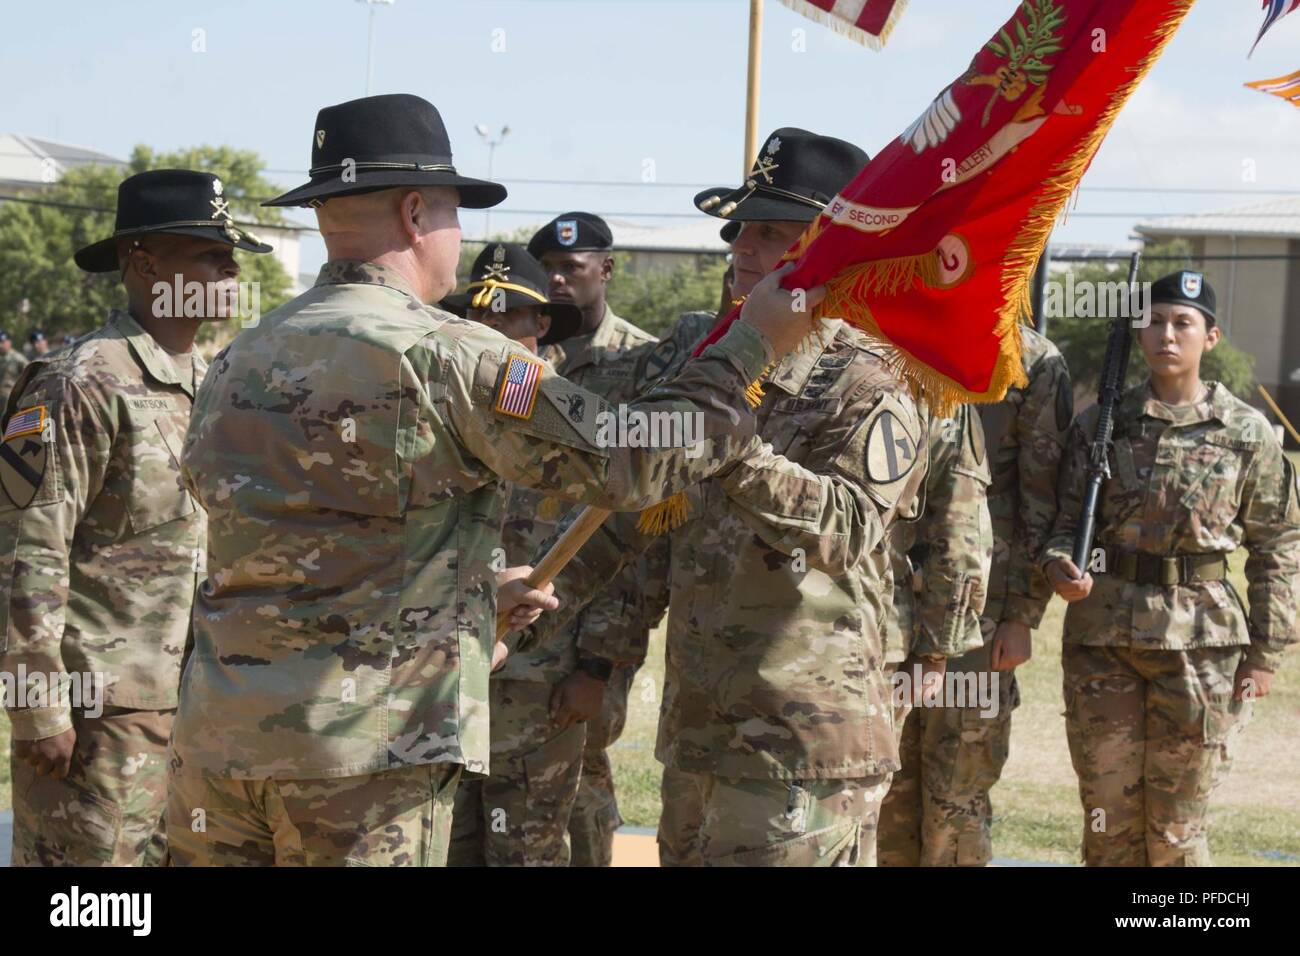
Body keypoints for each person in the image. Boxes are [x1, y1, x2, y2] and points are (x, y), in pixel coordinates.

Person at [165, 93, 815, 867]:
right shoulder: (453, 355)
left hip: (216, 745)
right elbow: (635, 458)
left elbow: (293, 544)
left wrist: (466, 605)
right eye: (454, 213)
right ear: (415, 214)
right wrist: (750, 345)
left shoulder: (241, 354)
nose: (458, 235)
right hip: (359, 760)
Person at [526, 128, 930, 867]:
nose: (742, 248)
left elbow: (844, 529)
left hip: (806, 747)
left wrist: (730, 441)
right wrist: (544, 587)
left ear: (828, 250)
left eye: (770, 233)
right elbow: (640, 513)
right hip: (702, 732)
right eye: (739, 230)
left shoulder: (874, 380)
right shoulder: (705, 356)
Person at [0, 168, 273, 866]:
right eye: (211, 252)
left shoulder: (206, 383)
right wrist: (35, 708)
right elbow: (25, 549)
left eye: (231, 253)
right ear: (145, 262)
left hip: (194, 713)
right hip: (98, 724)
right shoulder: (79, 381)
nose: (231, 267)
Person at [1043, 271, 1300, 866]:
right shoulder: (1101, 425)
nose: (1166, 334)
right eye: (1154, 321)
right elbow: (1060, 523)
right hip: (1103, 643)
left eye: (1182, 323)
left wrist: (1265, 654)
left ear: (1210, 337)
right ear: (1138, 334)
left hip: (1202, 650)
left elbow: (1277, 545)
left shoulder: (1246, 432)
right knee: (1107, 820)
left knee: (1177, 830)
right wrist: (1059, 563)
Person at [442, 241, 593, 865]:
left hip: (541, 687)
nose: (493, 328)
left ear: (542, 324)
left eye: (510, 315)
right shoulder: (446, 407)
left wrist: (600, 665)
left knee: (526, 853)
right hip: (453, 678)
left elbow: (615, 554)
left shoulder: (577, 419)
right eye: (481, 315)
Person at [527, 211, 670, 867]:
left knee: (581, 780)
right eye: (548, 270)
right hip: (519, 610)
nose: (557, 281)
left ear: (606, 270)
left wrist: (601, 664)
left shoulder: (645, 364)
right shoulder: (522, 357)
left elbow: (645, 531)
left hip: (591, 626)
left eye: (572, 268)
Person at [876, 403, 991, 866]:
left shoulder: (936, 395)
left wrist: (938, 649)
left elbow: (959, 531)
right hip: (874, 636)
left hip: (876, 636)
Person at [0, 330, 29, 405]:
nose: (0, 345)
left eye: (2, 342)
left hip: (11, 399)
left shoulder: (18, 359)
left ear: (9, 342)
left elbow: (30, 376)